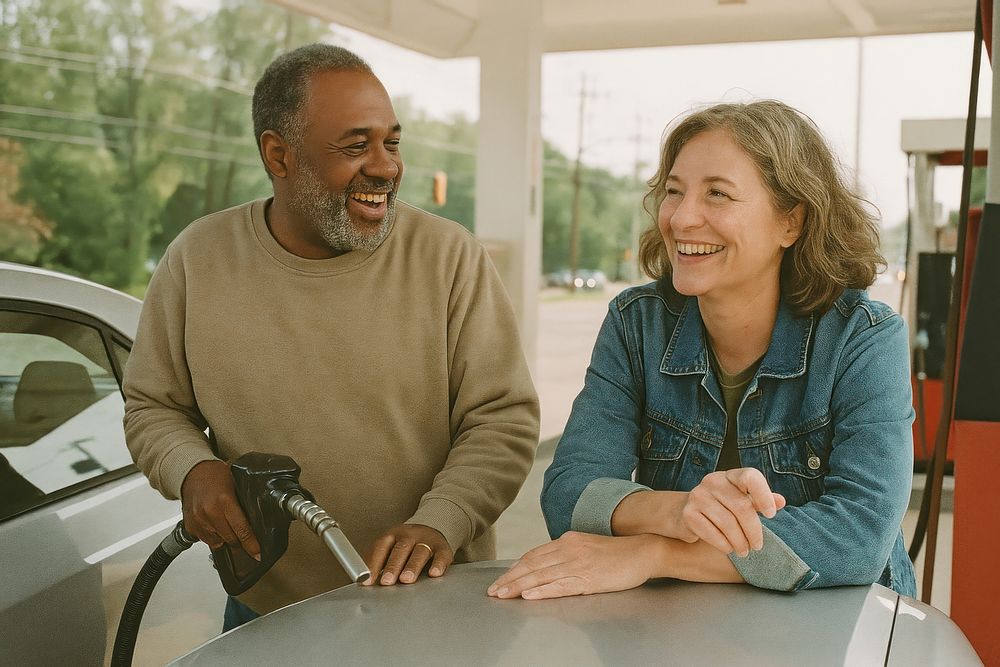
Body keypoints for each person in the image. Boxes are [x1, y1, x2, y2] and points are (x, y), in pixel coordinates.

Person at [123, 43, 539, 628]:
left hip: (430, 605)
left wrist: (441, 519)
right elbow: (151, 406)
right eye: (355, 145)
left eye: (391, 142)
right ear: (279, 155)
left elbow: (503, 419)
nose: (387, 166)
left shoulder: (449, 257)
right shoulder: (198, 258)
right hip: (264, 610)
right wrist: (191, 468)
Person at [488, 100, 915, 601]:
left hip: (841, 624)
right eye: (674, 191)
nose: (682, 217)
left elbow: (858, 538)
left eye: (718, 194)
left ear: (791, 223)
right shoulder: (636, 323)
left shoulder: (863, 336)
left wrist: (656, 553)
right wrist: (676, 510)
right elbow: (568, 490)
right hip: (680, 625)